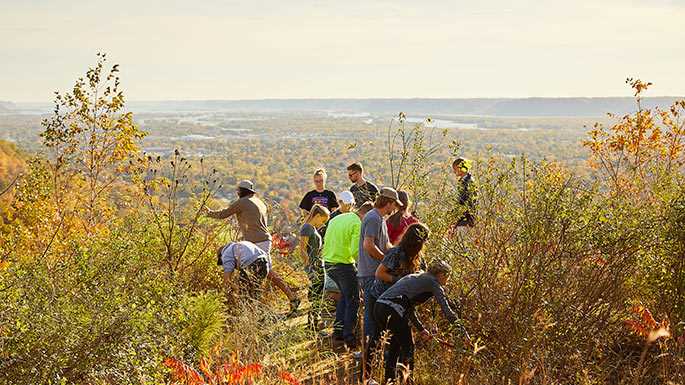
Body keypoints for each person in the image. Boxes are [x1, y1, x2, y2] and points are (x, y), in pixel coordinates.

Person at [205, 179, 300, 313]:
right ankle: (285, 298)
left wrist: (209, 213)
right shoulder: (259, 202)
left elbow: (223, 214)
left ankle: (279, 301)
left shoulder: (243, 202)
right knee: (265, 272)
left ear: (240, 191)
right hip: (264, 240)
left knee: (266, 273)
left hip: (257, 242)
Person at [373, 261, 466, 383]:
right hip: (393, 309)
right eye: (447, 277)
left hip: (379, 307)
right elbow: (447, 310)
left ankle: (389, 380)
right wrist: (463, 333)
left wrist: (421, 329)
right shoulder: (433, 283)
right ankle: (407, 381)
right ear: (442, 275)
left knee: (396, 346)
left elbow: (408, 309)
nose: (447, 281)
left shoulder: (418, 276)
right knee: (408, 346)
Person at [365, 223, 429, 377]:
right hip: (379, 298)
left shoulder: (419, 259)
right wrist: (399, 281)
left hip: (399, 304)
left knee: (396, 341)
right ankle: (366, 374)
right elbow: (379, 273)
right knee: (377, 338)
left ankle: (391, 376)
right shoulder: (395, 252)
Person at [323, 201, 374, 349]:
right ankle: (349, 337)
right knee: (353, 299)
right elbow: (355, 252)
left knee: (345, 297)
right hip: (343, 264)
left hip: (329, 262)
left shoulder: (339, 218)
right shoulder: (357, 224)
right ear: (367, 215)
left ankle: (338, 332)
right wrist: (367, 267)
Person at [358, 187, 402, 349]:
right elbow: (368, 245)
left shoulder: (380, 219)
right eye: (394, 205)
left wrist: (397, 253)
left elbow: (385, 244)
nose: (394, 209)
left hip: (374, 272)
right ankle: (368, 352)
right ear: (388, 203)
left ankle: (372, 349)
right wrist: (386, 262)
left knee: (375, 314)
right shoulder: (373, 218)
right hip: (370, 273)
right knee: (371, 314)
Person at [298, 204, 331, 329]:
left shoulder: (313, 228)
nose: (323, 224)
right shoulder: (307, 227)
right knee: (317, 295)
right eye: (322, 220)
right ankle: (312, 324)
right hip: (314, 267)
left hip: (319, 265)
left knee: (319, 294)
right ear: (317, 216)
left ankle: (313, 322)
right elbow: (302, 250)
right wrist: (309, 268)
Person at [451, 157, 476, 227]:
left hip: (466, 219)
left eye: (455, 169)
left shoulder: (469, 182)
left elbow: (465, 200)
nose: (454, 171)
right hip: (462, 217)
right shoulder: (463, 181)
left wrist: (456, 215)